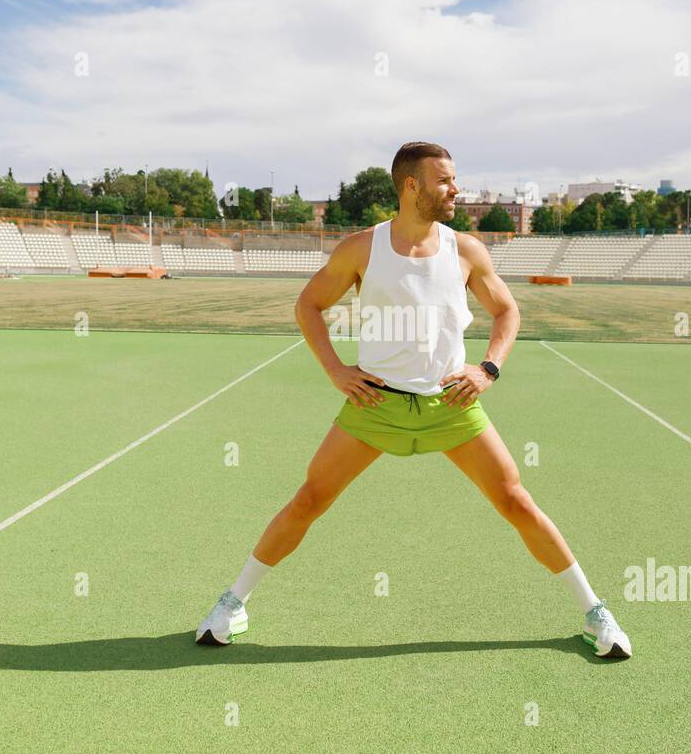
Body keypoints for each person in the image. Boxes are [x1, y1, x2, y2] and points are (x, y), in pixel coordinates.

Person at [195, 142, 631, 659]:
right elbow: (308, 305)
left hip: (451, 406)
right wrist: (336, 370)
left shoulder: (466, 249)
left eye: (454, 179)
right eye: (445, 180)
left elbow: (507, 312)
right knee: (310, 499)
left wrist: (489, 367)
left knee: (515, 501)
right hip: (376, 407)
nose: (455, 189)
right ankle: (232, 602)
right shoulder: (361, 247)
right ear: (411, 186)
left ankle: (594, 612)